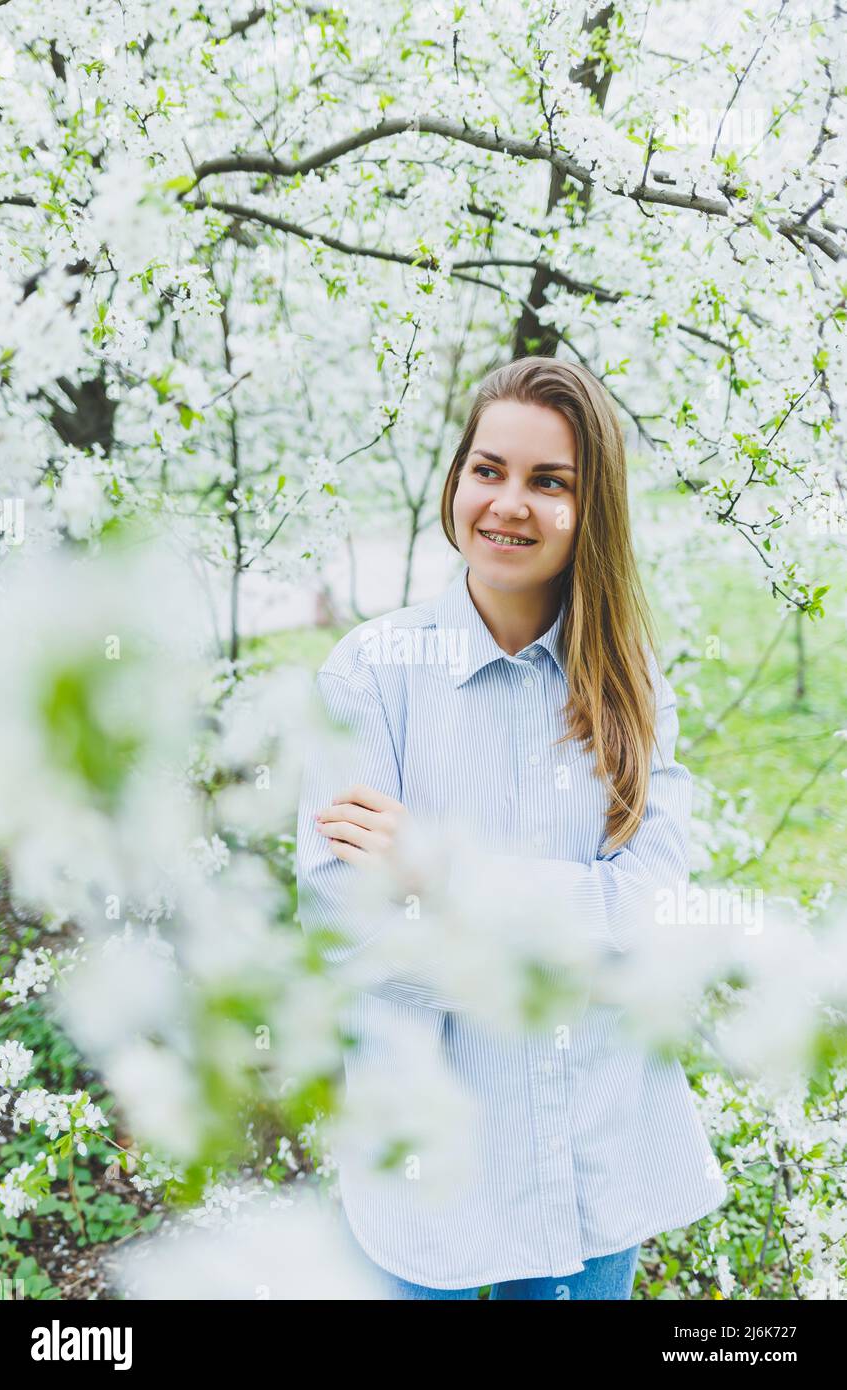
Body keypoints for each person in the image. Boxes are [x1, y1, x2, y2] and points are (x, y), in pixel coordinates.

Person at [295, 356, 728, 1300]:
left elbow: (658, 914)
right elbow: (350, 928)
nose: (508, 503)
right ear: (456, 479)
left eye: (549, 481)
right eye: (488, 469)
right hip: (430, 1184)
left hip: (589, 1158)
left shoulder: (629, 683)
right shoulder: (371, 677)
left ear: (591, 508)